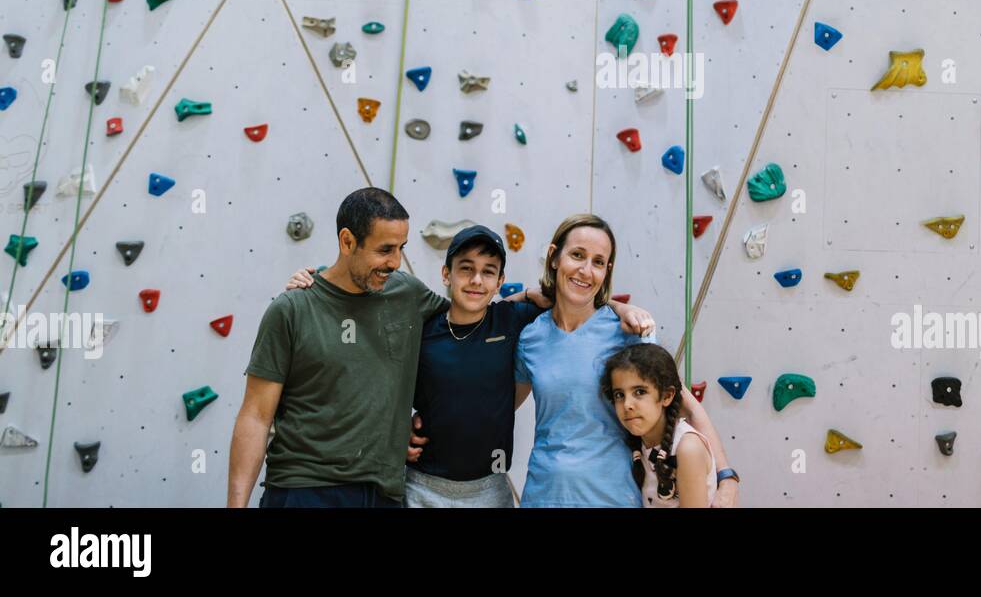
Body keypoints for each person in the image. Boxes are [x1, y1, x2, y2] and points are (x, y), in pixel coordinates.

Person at [287, 223, 654, 507]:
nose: (476, 280)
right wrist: (315, 279)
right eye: (465, 269)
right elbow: (370, 371)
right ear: (446, 275)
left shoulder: (516, 321)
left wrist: (624, 308)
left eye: (489, 271)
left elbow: (574, 301)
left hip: (490, 489)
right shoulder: (420, 325)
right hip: (420, 488)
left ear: (500, 283)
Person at [227, 187, 448, 508]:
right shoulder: (292, 308)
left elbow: (470, 326)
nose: (396, 262)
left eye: (401, 248)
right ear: (347, 241)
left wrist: (529, 302)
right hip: (304, 489)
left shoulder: (408, 295)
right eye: (385, 249)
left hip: (383, 493)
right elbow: (256, 416)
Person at [512, 213, 740, 507]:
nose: (585, 270)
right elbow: (500, 409)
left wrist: (727, 477)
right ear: (554, 257)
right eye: (577, 255)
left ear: (607, 270)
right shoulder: (530, 337)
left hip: (612, 496)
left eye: (598, 262)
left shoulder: (628, 331)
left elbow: (686, 405)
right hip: (544, 495)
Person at [602, 342, 716, 507]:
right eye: (619, 394)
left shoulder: (687, 447)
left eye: (639, 392)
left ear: (667, 396)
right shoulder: (637, 444)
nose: (627, 404)